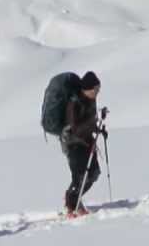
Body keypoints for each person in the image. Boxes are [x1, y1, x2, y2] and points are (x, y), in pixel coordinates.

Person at [61, 71, 105, 217]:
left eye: (98, 89)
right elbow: (75, 128)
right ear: (88, 88)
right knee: (79, 176)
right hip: (73, 143)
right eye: (96, 89)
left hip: (86, 141)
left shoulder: (91, 101)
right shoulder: (74, 102)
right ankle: (71, 204)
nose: (97, 92)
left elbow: (89, 122)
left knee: (94, 173)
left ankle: (74, 200)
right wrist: (92, 125)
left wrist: (99, 128)